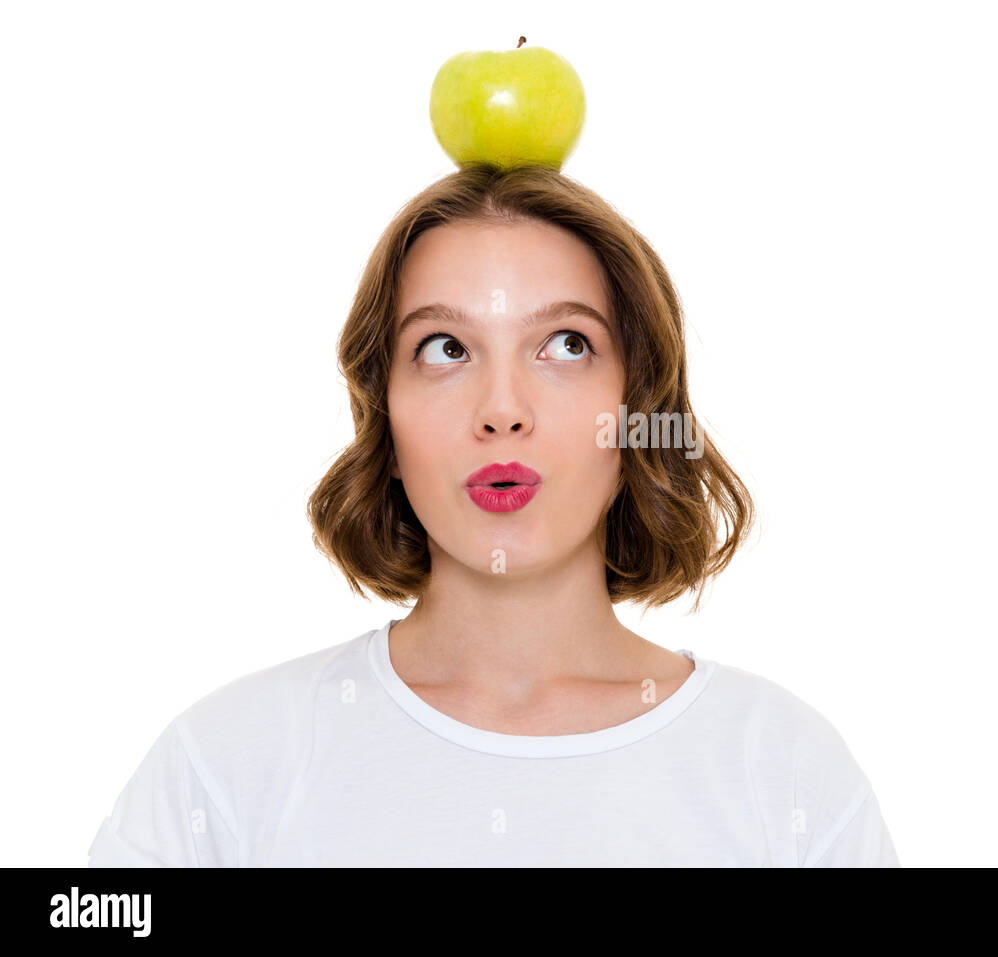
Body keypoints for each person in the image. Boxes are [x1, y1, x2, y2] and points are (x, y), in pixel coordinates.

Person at [87, 164, 900, 867]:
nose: (503, 410)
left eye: (565, 344)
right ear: (386, 421)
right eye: (445, 348)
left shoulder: (783, 771)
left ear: (634, 404)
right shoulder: (225, 767)